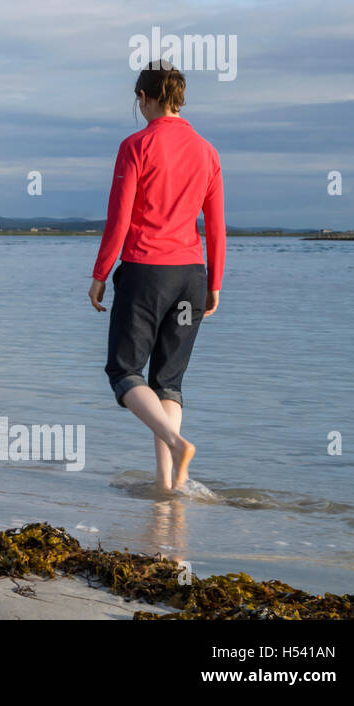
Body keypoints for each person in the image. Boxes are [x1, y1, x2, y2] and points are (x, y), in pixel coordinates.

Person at [88, 60, 225, 493]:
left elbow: (120, 218)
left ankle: (175, 443)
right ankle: (167, 485)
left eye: (139, 100)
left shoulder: (136, 145)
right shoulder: (208, 151)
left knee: (124, 371)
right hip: (191, 276)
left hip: (147, 272)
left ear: (144, 98)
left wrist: (100, 273)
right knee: (169, 381)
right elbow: (216, 226)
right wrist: (215, 281)